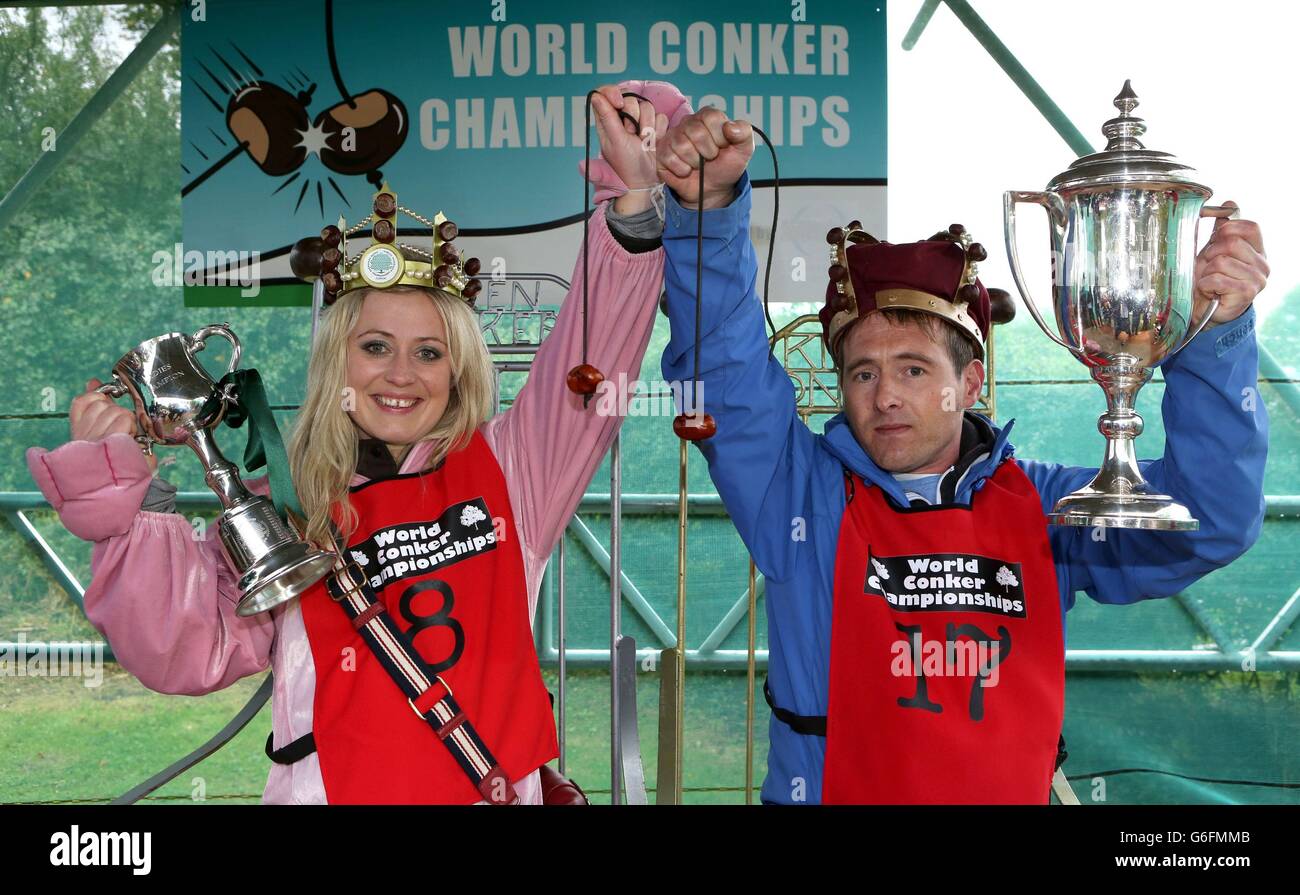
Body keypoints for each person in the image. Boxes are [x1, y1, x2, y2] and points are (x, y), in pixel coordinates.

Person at [25, 82, 691, 805]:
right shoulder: (282, 503)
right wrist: (128, 493)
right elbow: (184, 649)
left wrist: (633, 203)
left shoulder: (512, 468)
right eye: (376, 346)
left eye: (429, 353)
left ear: (458, 369)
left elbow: (586, 369)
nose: (401, 374)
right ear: (338, 359)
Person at [653, 106, 1270, 804]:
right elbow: (727, 371)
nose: (885, 394)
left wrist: (1217, 339)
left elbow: (1210, 518)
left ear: (967, 384)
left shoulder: (1044, 507)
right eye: (862, 372)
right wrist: (704, 212)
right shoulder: (797, 494)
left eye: (915, 369)